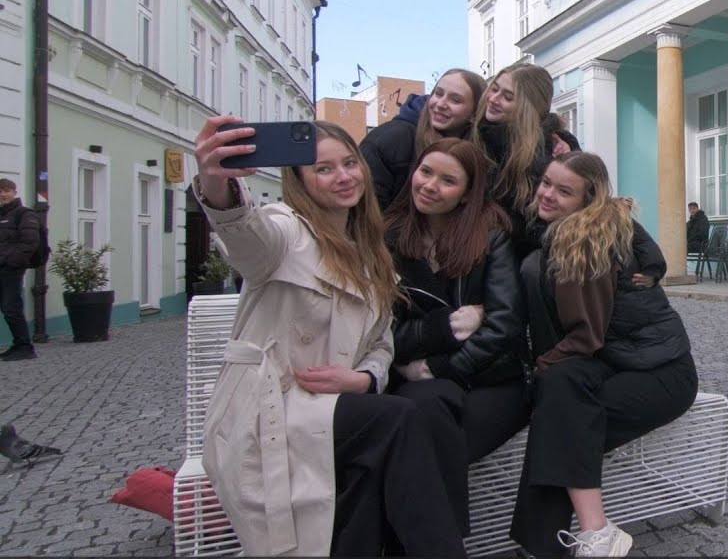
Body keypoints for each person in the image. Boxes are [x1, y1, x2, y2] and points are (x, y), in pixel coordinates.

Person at [191, 116, 465, 557]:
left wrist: (366, 379)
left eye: (349, 163)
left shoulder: (371, 253)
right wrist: (216, 184)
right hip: (275, 412)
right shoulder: (286, 232)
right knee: (400, 420)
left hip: (333, 410)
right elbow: (245, 237)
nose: (343, 177)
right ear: (299, 181)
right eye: (323, 169)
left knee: (370, 472)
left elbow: (381, 342)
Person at [510, 152, 698, 558]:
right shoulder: (559, 232)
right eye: (546, 183)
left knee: (559, 418)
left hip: (662, 375)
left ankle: (561, 544)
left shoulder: (585, 242)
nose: (547, 195)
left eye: (564, 191)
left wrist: (538, 368)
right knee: (560, 395)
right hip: (616, 363)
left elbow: (586, 338)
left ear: (586, 200)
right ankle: (592, 534)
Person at [383, 137, 529, 475]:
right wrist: (446, 328)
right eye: (426, 172)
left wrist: (439, 367)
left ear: (466, 194)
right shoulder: (387, 239)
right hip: (419, 384)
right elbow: (381, 331)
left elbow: (503, 325)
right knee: (421, 425)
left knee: (427, 441)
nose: (431, 186)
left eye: (448, 181)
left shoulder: (490, 237)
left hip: (492, 379)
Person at [473, 62, 579, 259]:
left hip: (523, 258)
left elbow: (546, 223)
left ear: (528, 108)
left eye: (508, 97)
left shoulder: (550, 153)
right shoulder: (474, 135)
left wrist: (497, 223)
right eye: (494, 89)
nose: (494, 99)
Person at [359, 68, 487, 210]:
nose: (440, 104)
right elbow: (366, 210)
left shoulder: (482, 150)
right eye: (438, 94)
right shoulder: (392, 138)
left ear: (475, 112)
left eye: (455, 100)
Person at [0, 178, 39, 361]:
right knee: (8, 308)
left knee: (11, 308)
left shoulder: (24, 213)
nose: (2, 194)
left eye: (6, 190)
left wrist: (11, 261)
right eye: (0, 191)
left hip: (11, 270)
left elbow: (30, 242)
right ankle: (18, 344)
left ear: (14, 192)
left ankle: (25, 346)